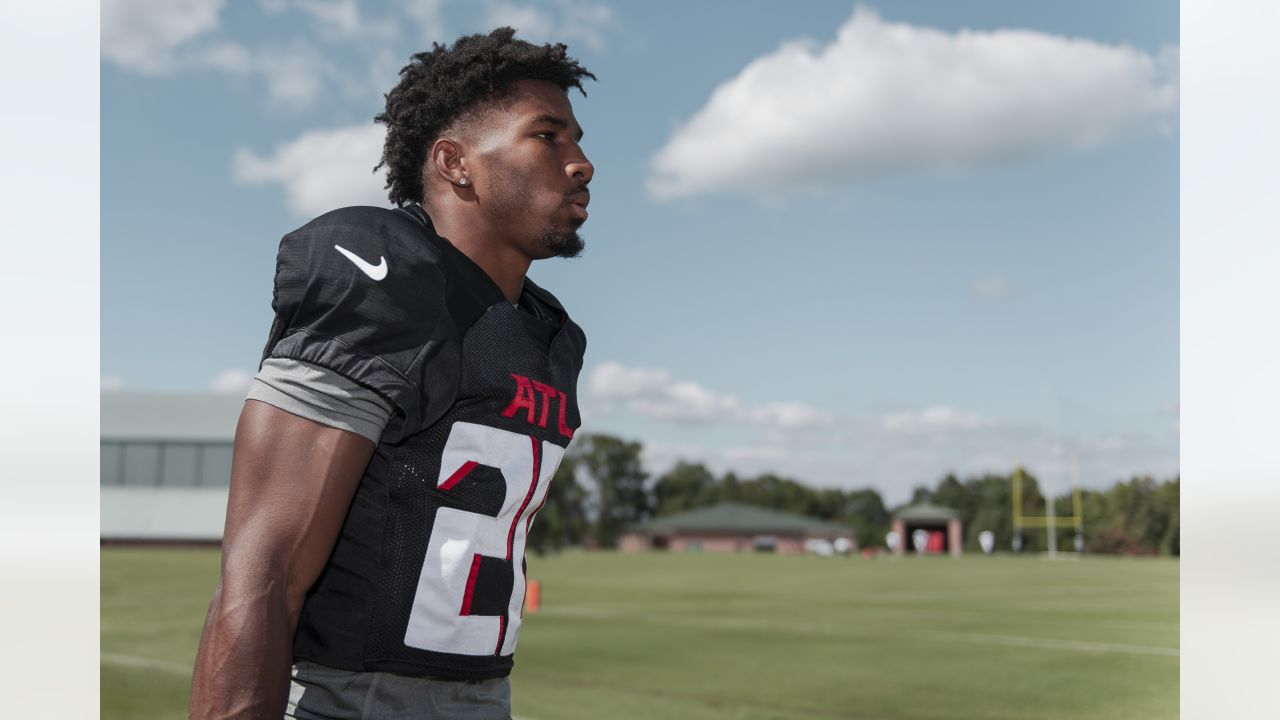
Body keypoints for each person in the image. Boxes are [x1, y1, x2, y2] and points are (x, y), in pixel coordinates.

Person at [189, 28, 595, 719]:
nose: (581, 164)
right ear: (455, 163)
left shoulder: (547, 333)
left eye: (578, 141)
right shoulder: (384, 276)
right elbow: (264, 574)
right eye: (547, 137)